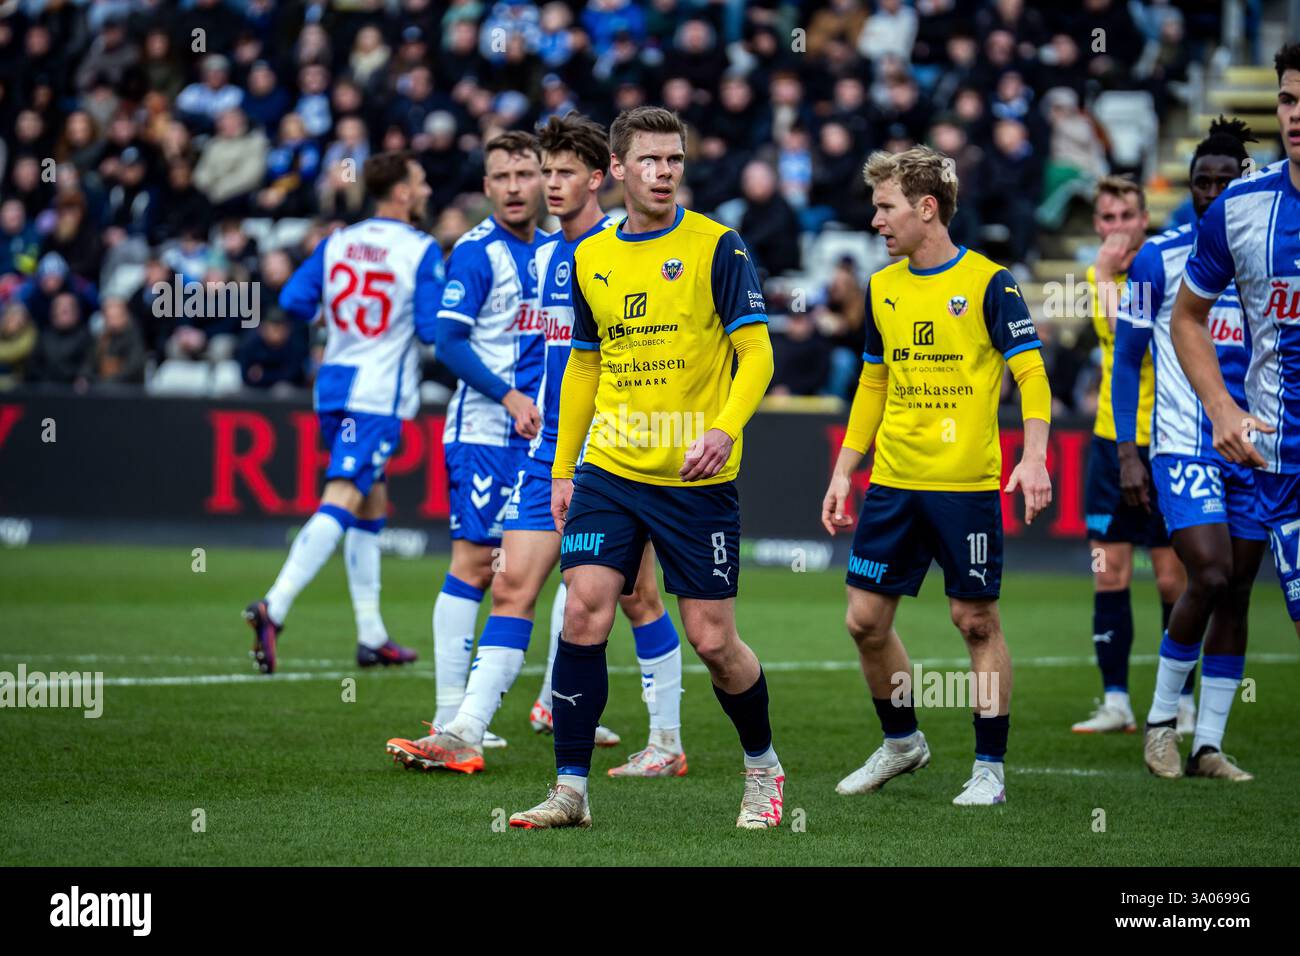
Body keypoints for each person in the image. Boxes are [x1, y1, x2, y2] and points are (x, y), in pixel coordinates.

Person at [386, 113, 688, 778]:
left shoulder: (622, 245)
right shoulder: (549, 258)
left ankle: (666, 742)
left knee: (638, 597)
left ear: (598, 177)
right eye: (542, 171)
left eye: (562, 172)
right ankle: (463, 728)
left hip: (617, 455)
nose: (550, 184)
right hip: (548, 451)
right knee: (511, 582)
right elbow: (555, 364)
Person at [509, 107, 781, 830]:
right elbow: (584, 367)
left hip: (696, 478)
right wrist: (565, 467)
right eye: (651, 161)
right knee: (584, 612)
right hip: (610, 468)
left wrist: (725, 428)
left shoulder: (718, 247)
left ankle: (763, 769)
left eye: (675, 160)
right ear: (620, 170)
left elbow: (758, 355)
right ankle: (571, 789)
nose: (665, 173)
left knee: (715, 642)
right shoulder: (590, 257)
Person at [821, 146, 1052, 807]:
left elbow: (1032, 374)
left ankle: (989, 769)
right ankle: (902, 742)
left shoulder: (989, 282)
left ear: (927, 209)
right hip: (893, 481)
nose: (875, 221)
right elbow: (874, 381)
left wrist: (1033, 457)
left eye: (886, 206)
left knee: (974, 621)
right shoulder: (883, 287)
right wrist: (845, 471)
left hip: (965, 485)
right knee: (864, 620)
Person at [243, 151, 439, 672]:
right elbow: (429, 329)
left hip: (334, 385)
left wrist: (343, 315)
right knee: (345, 492)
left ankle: (372, 635)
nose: (425, 190)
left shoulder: (339, 241)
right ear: (400, 191)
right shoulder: (419, 249)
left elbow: (294, 300)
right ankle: (274, 606)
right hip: (376, 394)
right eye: (419, 182)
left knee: (371, 505)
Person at [1113, 118, 1263, 782]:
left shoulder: (1269, 255)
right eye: (1199, 183)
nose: (1207, 194)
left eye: (1221, 182)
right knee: (1208, 574)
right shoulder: (1157, 258)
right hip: (1181, 448)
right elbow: (1126, 362)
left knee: (1237, 594)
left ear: (1244, 183)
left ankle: (1209, 745)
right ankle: (1160, 725)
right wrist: (1127, 451)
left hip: (1256, 453)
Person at [1172, 43, 1300, 643]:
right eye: (1288, 99)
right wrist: (1222, 408)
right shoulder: (1242, 209)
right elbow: (1186, 317)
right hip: (1284, 460)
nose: (1295, 114)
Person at [427, 131, 548, 751]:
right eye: (501, 177)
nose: (513, 187)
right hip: (484, 430)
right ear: (486, 186)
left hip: (542, 437)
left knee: (535, 568)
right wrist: (508, 395)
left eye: (524, 174)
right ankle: (451, 712)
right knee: (476, 564)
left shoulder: (557, 249)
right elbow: (446, 342)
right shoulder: (476, 252)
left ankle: (552, 702)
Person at [1072, 176, 1189, 735]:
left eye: (1125, 216)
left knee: (1172, 577)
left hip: (1162, 440)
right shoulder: (1101, 277)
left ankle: (1179, 701)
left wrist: (1099, 274)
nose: (1116, 228)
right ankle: (1116, 701)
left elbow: (1125, 335)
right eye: (1107, 218)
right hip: (1107, 443)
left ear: (1146, 221)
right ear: (1098, 224)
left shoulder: (1158, 271)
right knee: (1108, 572)